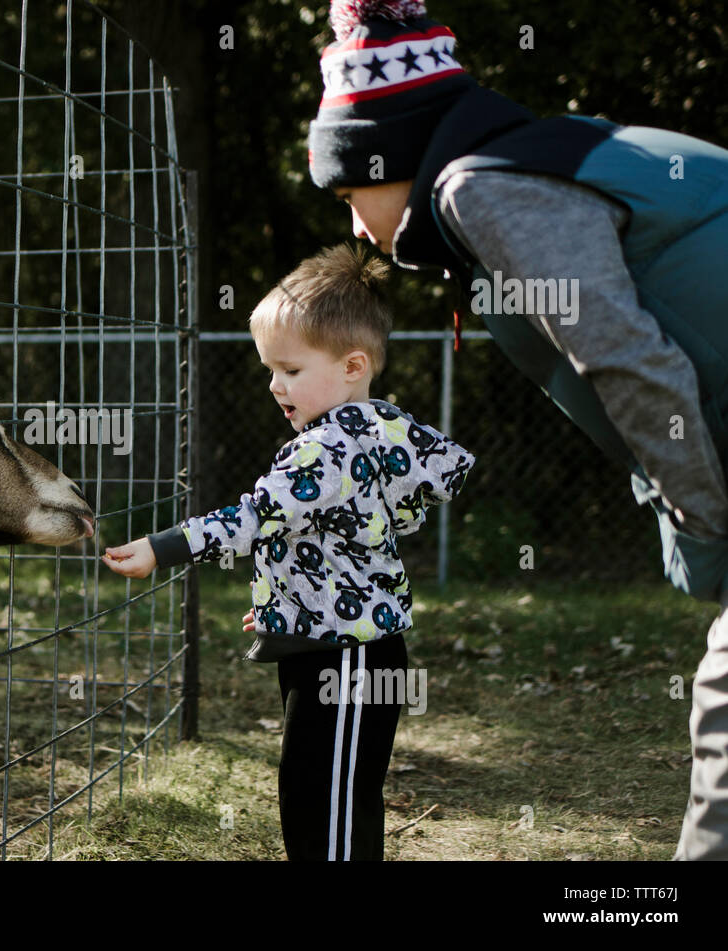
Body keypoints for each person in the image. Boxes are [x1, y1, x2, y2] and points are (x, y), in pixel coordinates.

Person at [307, 0, 728, 859]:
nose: (355, 225)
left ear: (391, 154)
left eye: (351, 193)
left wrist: (708, 523)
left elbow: (629, 360)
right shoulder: (545, 151)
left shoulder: (483, 187)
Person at [102, 243, 475, 860]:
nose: (276, 385)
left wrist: (160, 548)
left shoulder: (325, 449)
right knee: (321, 791)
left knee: (326, 800)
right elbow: (367, 526)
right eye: (270, 370)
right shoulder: (381, 430)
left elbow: (252, 518)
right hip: (337, 646)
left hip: (348, 660)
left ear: (353, 365)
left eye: (292, 370)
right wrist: (290, 605)